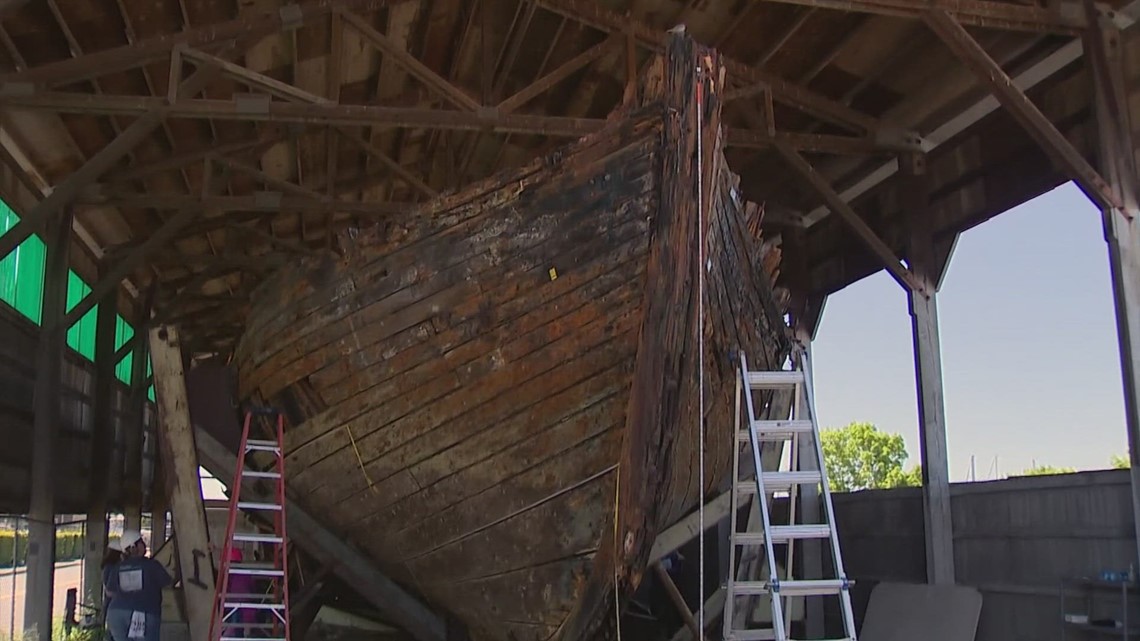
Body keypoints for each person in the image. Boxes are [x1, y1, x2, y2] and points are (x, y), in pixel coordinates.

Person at [103, 529, 172, 641]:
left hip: (116, 613)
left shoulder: (118, 567)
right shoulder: (151, 565)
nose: (144, 545)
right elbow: (167, 583)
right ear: (134, 547)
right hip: (143, 614)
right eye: (141, 542)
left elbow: (109, 592)